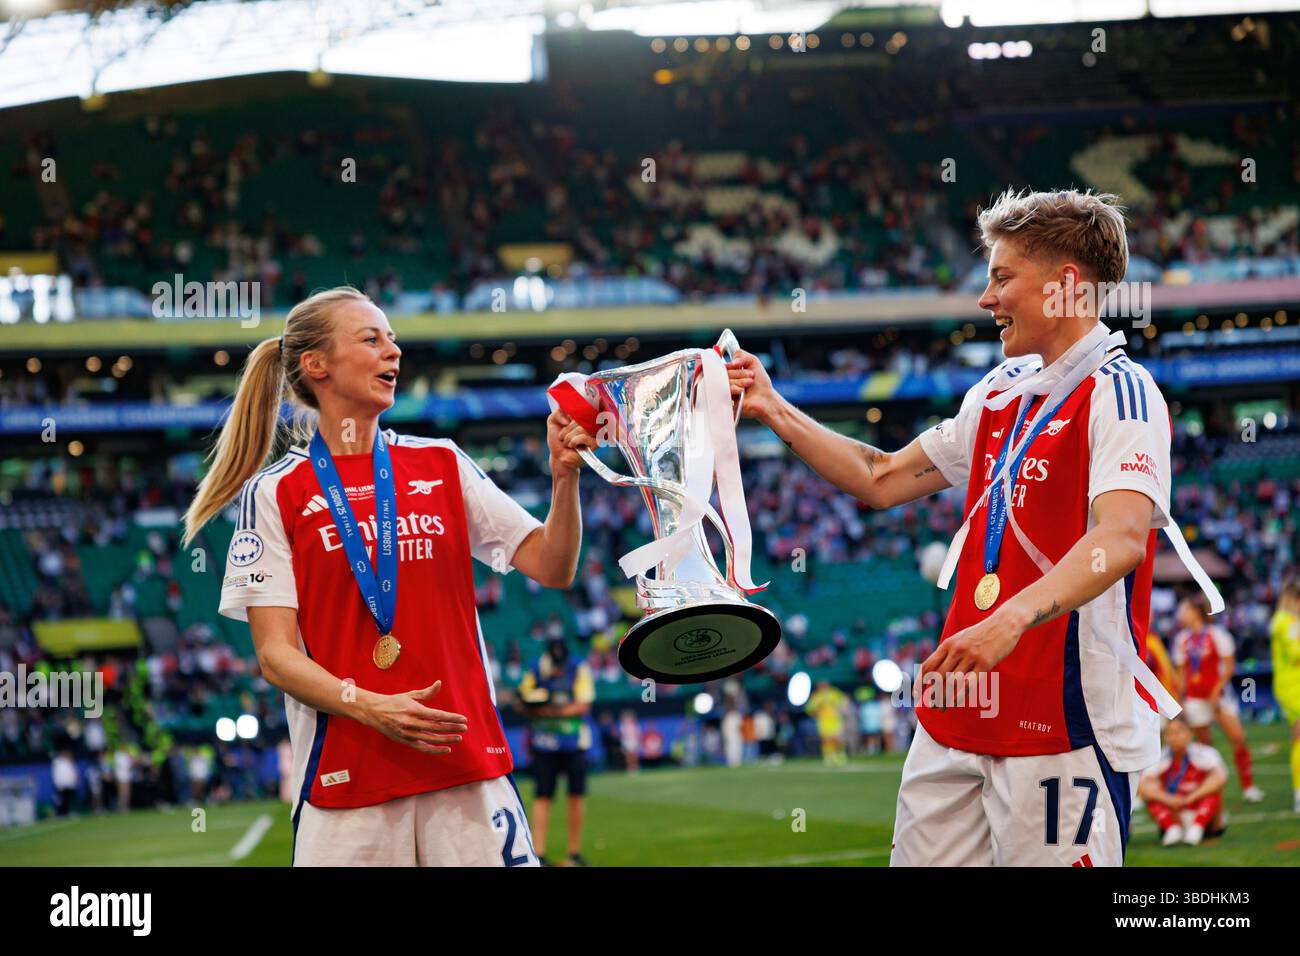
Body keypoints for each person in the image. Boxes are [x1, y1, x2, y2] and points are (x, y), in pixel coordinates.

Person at [728, 188, 1219, 866]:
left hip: (1063, 726)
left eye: (1001, 276)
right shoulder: (997, 394)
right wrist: (772, 406)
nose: (986, 299)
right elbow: (880, 478)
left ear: (1065, 286)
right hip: (955, 713)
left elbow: (1122, 538)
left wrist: (1007, 620)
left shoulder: (1121, 393)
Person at [183, 286, 585, 866]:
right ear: (315, 366)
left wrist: (563, 480)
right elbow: (275, 656)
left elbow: (554, 565)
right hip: (348, 788)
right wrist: (370, 705)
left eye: (393, 338)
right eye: (371, 339)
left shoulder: (442, 462)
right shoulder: (275, 493)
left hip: (466, 771)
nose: (392, 352)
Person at [1170, 595, 1263, 802]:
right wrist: (1180, 698)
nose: (1182, 615)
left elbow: (1229, 666)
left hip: (1219, 696)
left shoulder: (1216, 634)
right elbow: (1181, 672)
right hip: (1194, 698)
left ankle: (1248, 787)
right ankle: (1211, 791)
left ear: (1196, 612)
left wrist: (1215, 692)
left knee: (1238, 738)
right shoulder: (1181, 639)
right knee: (1205, 746)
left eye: (1185, 610)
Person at [517, 638, 595, 866]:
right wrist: (542, 708)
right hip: (544, 744)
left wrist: (547, 711)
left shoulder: (578, 667)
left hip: (574, 743)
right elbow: (522, 701)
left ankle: (574, 853)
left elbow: (583, 705)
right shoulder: (535, 668)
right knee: (542, 795)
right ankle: (538, 853)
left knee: (576, 794)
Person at [1138, 715, 1228, 846]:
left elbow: (1220, 778)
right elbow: (1143, 787)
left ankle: (1197, 828)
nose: (1174, 737)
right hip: (1174, 811)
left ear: (1190, 733)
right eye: (1170, 733)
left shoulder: (1205, 753)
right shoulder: (1160, 758)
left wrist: (1192, 797)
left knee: (1213, 791)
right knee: (1151, 791)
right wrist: (1168, 799)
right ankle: (1172, 829)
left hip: (1202, 812)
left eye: (1179, 732)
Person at [1269, 575, 1300, 813]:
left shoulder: (1282, 620)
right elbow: (1296, 653)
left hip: (1289, 684)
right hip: (1293, 686)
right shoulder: (1287, 621)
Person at [806, 681, 849, 766]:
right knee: (826, 740)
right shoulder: (816, 696)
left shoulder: (834, 693)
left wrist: (842, 711)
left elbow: (844, 701)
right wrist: (816, 715)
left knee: (838, 738)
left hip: (835, 720)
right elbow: (810, 708)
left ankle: (841, 755)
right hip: (823, 721)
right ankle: (829, 757)